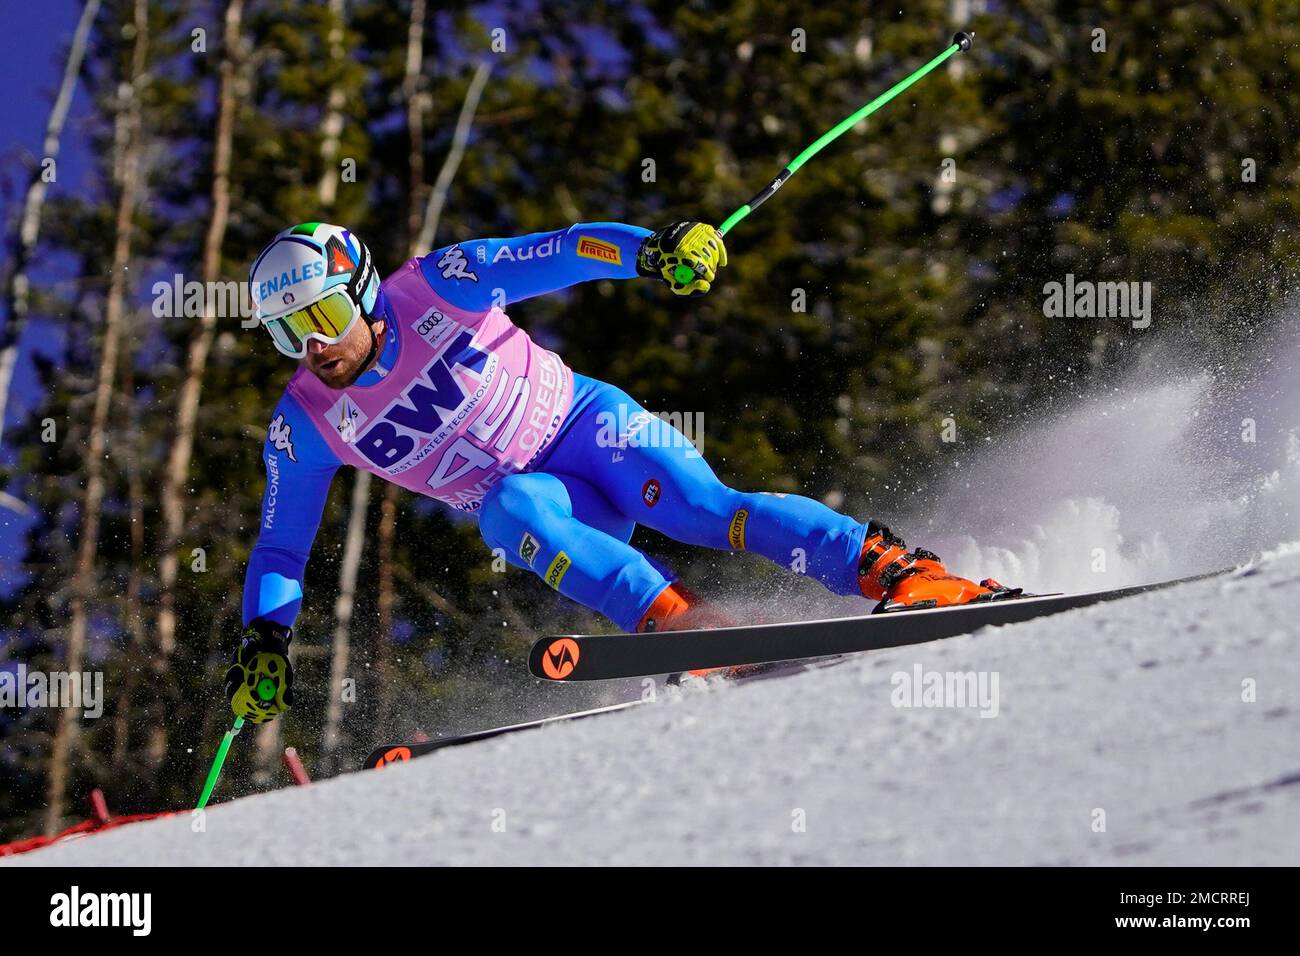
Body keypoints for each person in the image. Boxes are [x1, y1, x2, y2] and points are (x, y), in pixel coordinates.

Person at [225, 220, 1014, 723]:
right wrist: (264, 638)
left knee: (710, 512)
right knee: (506, 509)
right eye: (287, 333)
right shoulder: (305, 423)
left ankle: (902, 573)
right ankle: (684, 630)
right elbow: (282, 549)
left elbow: (563, 251)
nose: (314, 347)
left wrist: (651, 250)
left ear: (361, 294)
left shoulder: (438, 284)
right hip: (554, 503)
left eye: (324, 317)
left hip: (589, 428)